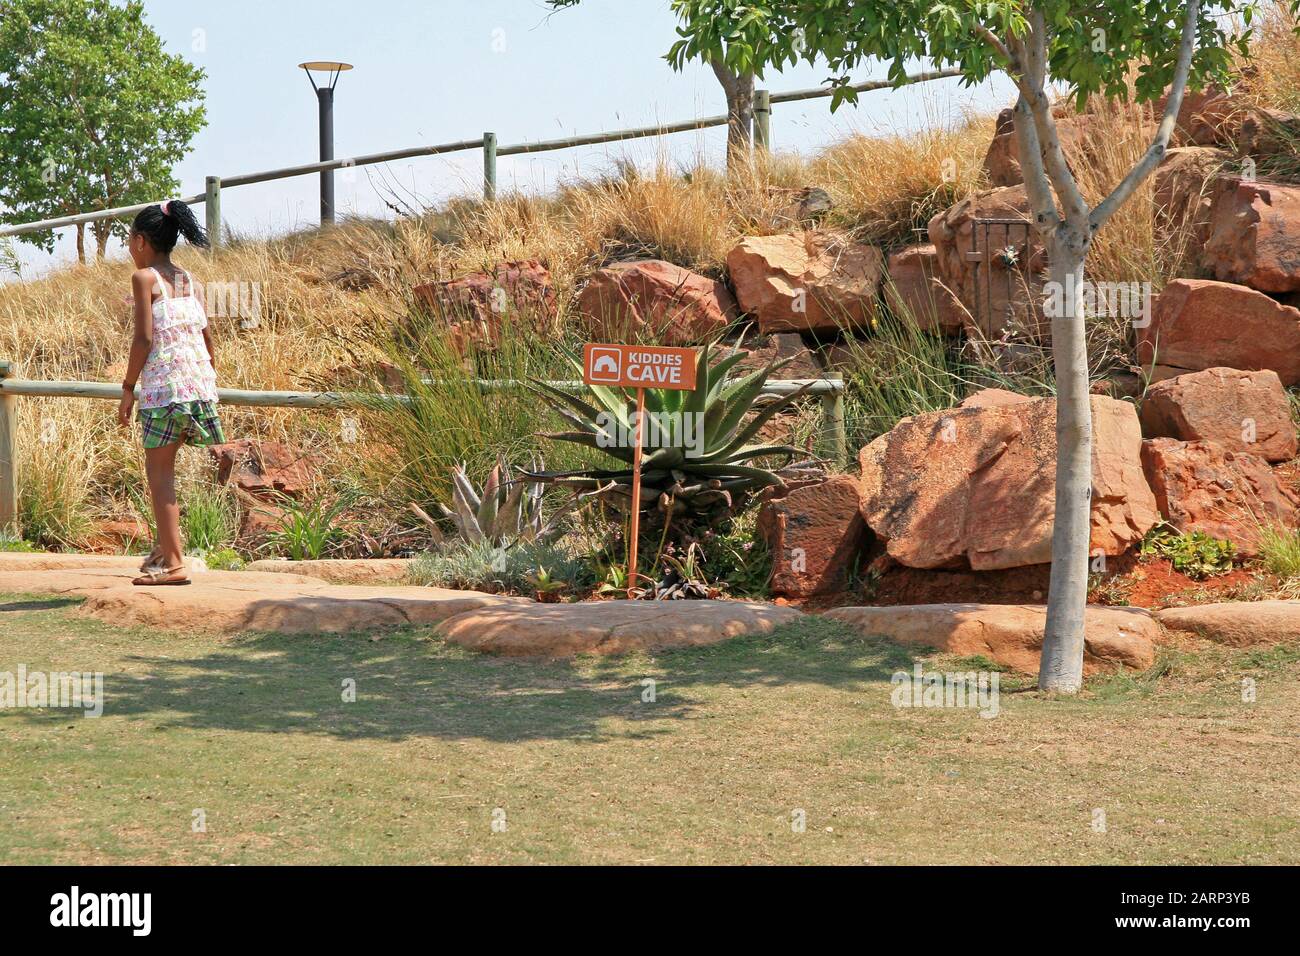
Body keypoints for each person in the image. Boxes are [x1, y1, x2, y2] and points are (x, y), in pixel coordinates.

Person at [116, 199, 223, 586]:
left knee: (159, 473)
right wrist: (206, 382)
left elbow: (143, 339)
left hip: (164, 393)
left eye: (129, 240)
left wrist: (128, 388)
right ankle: (165, 547)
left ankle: (175, 564)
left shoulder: (143, 279)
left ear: (142, 241)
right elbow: (207, 338)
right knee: (167, 469)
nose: (129, 247)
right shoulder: (188, 279)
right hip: (197, 388)